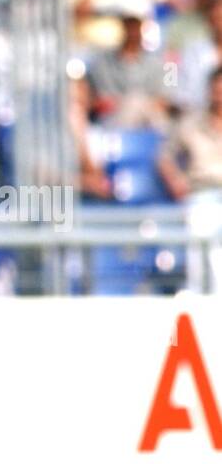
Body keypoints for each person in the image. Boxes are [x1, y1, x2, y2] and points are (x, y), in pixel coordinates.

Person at [158, 66, 222, 291]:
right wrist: (176, 180)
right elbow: (164, 157)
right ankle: (205, 297)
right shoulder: (191, 123)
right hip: (202, 196)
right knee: (204, 245)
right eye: (216, 89)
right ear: (209, 91)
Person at [87, 14, 169, 130]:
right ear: (123, 30)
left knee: (142, 106)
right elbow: (102, 101)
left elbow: (163, 100)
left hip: (148, 117)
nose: (133, 33)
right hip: (114, 118)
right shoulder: (102, 61)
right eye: (130, 28)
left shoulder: (158, 62)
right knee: (133, 102)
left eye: (136, 29)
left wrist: (142, 104)